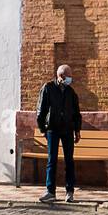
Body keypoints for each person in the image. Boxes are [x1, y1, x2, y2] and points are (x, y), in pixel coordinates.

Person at [36, 64, 81, 204]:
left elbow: (76, 113)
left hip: (67, 129)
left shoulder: (71, 92)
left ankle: (70, 192)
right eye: (69, 76)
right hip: (53, 129)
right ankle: (50, 191)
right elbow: (41, 110)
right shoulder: (48, 88)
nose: (70, 79)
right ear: (61, 76)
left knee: (69, 161)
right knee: (52, 160)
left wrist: (77, 130)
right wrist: (43, 129)